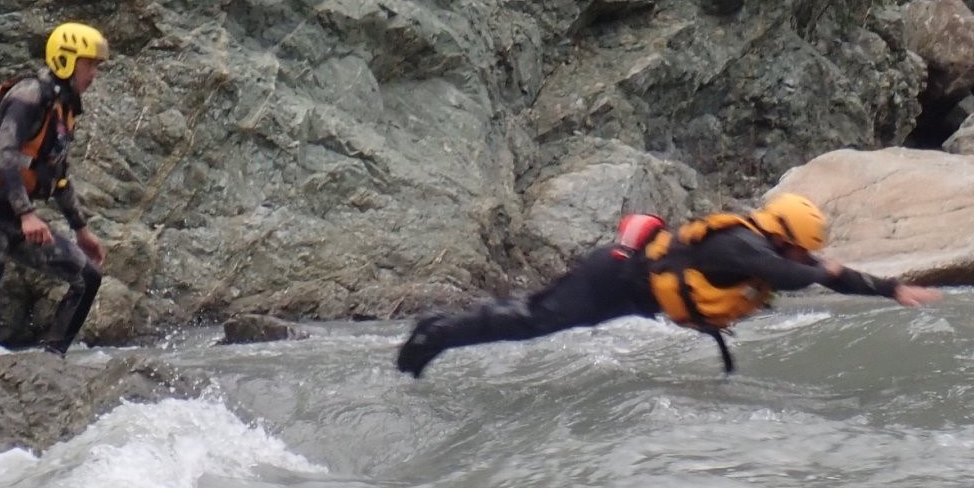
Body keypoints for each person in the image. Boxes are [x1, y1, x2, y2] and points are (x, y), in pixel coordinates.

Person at [397, 192, 941, 378]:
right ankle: (433, 336)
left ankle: (441, 331)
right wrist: (848, 276)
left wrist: (888, 290)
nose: (809, 258)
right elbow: (793, 276)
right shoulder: (741, 246)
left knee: (532, 315)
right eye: (805, 248)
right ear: (784, 237)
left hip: (635, 294)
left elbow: (804, 273)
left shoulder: (758, 249)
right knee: (533, 321)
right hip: (613, 278)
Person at [0, 22, 110, 355]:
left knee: (88, 276)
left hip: (21, 222)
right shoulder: (29, 96)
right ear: (66, 60)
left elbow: (58, 176)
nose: (94, 73)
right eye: (89, 63)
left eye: (97, 65)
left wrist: (81, 229)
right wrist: (27, 215)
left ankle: (51, 361)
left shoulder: (64, 108)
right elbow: (3, 157)